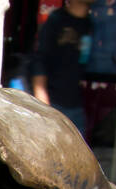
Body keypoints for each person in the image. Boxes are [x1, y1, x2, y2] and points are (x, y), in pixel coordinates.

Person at [31, 0, 96, 135]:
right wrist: (41, 99)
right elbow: (40, 59)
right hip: (53, 103)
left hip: (76, 104)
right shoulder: (56, 20)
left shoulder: (92, 24)